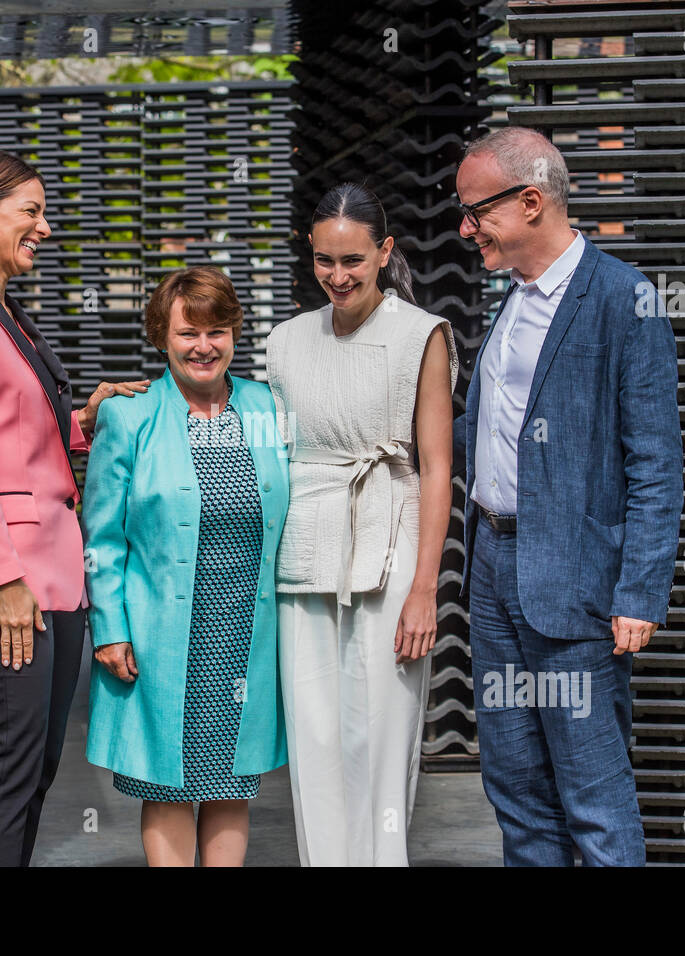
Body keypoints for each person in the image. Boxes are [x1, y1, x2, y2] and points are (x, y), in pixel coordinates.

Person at [0, 150, 148, 866]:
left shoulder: (3, 311)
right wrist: (2, 581)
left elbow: (17, 439)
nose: (45, 226)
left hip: (54, 574)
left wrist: (87, 419)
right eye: (32, 211)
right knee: (7, 774)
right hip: (6, 585)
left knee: (36, 770)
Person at [451, 127, 683, 866]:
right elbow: (489, 432)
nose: (465, 228)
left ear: (529, 201)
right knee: (516, 791)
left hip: (576, 582)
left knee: (593, 797)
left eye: (474, 210)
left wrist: (641, 593)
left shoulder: (624, 298)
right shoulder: (512, 300)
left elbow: (655, 460)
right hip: (492, 572)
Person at [265, 183, 458, 866]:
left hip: (391, 537)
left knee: (379, 733)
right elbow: (262, 446)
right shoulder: (284, 343)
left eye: (352, 259)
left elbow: (436, 467)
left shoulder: (421, 334)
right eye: (324, 261)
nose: (338, 277)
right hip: (304, 544)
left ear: (385, 252)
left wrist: (426, 588)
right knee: (313, 735)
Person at [83, 267, 289, 866]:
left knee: (232, 778)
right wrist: (111, 628)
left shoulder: (266, 407)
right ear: (161, 337)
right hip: (160, 633)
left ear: (234, 335)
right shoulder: (130, 417)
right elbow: (101, 538)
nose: (204, 346)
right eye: (188, 333)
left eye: (218, 331)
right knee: (167, 781)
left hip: (244, 632)